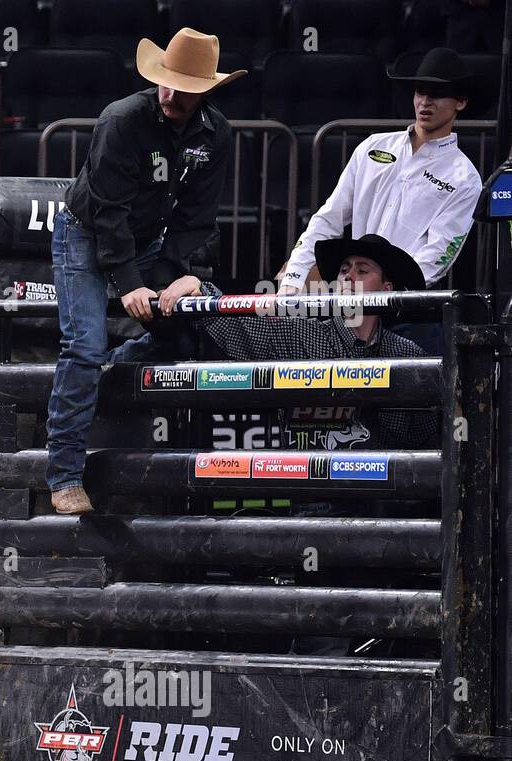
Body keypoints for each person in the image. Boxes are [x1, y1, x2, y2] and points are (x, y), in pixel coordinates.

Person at [47, 28, 244, 515]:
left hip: (152, 235)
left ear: (206, 91)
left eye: (184, 85)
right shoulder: (123, 119)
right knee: (83, 345)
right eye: (167, 81)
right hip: (87, 231)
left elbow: (196, 218)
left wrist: (172, 274)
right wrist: (132, 283)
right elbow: (107, 211)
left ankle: (110, 369)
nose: (172, 93)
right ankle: (65, 475)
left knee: (177, 331)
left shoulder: (216, 134)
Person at [127, 234, 438, 451]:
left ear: (386, 288)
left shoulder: (408, 354)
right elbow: (244, 326)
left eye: (362, 270)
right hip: (312, 500)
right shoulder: (301, 333)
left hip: (387, 506)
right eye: (344, 270)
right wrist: (201, 290)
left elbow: (429, 440)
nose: (348, 276)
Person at [278, 48, 483, 295]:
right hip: (353, 295)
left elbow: (439, 253)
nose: (425, 101)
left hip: (405, 304)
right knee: (287, 280)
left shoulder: (465, 178)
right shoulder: (373, 146)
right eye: (420, 91)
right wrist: (295, 274)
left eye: (437, 93)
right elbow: (329, 216)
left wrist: (391, 290)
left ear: (460, 102)